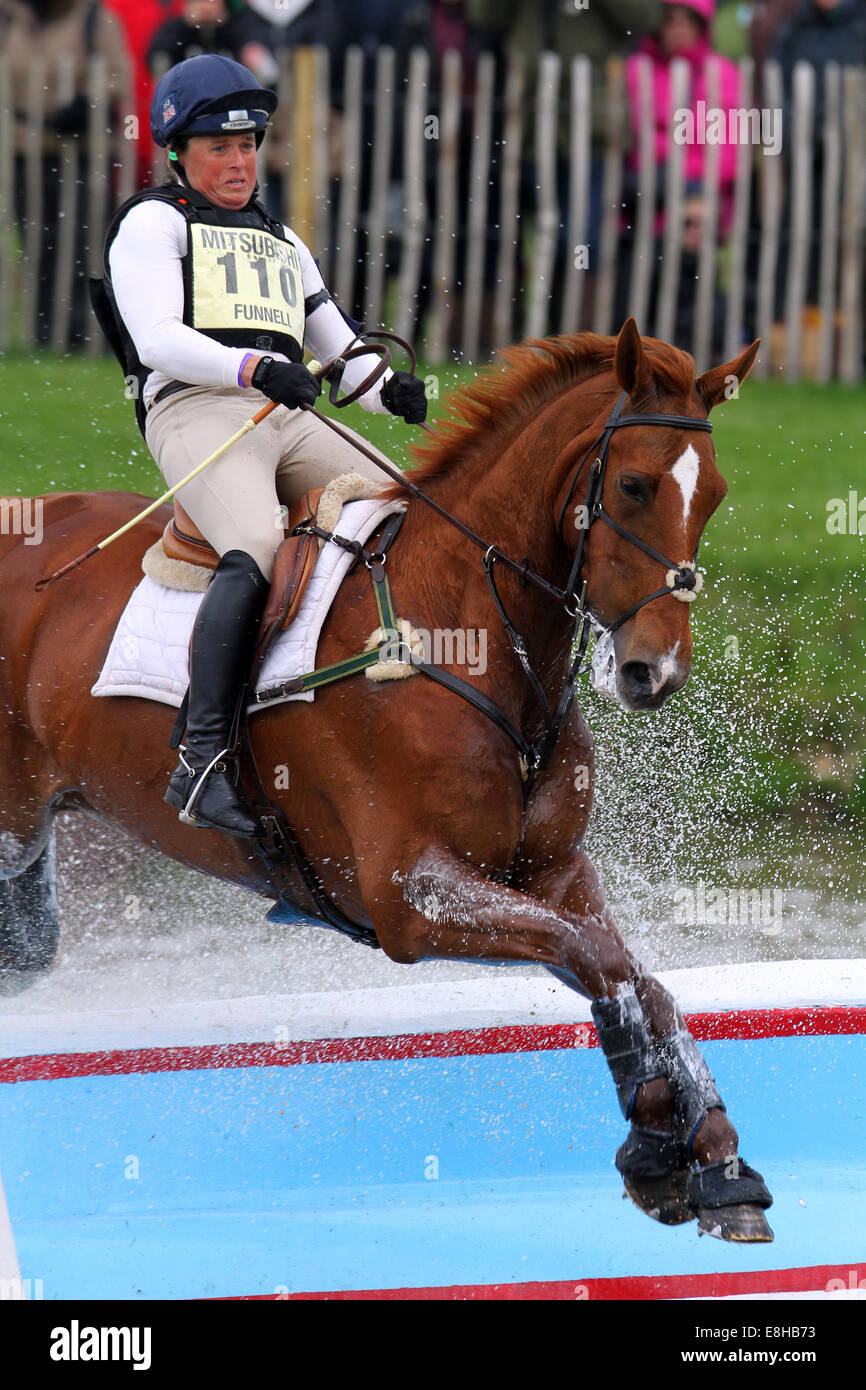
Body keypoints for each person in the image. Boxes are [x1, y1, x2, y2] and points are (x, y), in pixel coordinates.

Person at [91, 53, 427, 837]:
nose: (239, 161)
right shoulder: (154, 222)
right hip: (195, 408)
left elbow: (339, 351)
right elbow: (159, 340)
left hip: (281, 410)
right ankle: (202, 757)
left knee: (411, 511)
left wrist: (390, 391)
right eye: (219, 147)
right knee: (252, 541)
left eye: (249, 145)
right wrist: (254, 365)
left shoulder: (281, 239)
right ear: (178, 150)